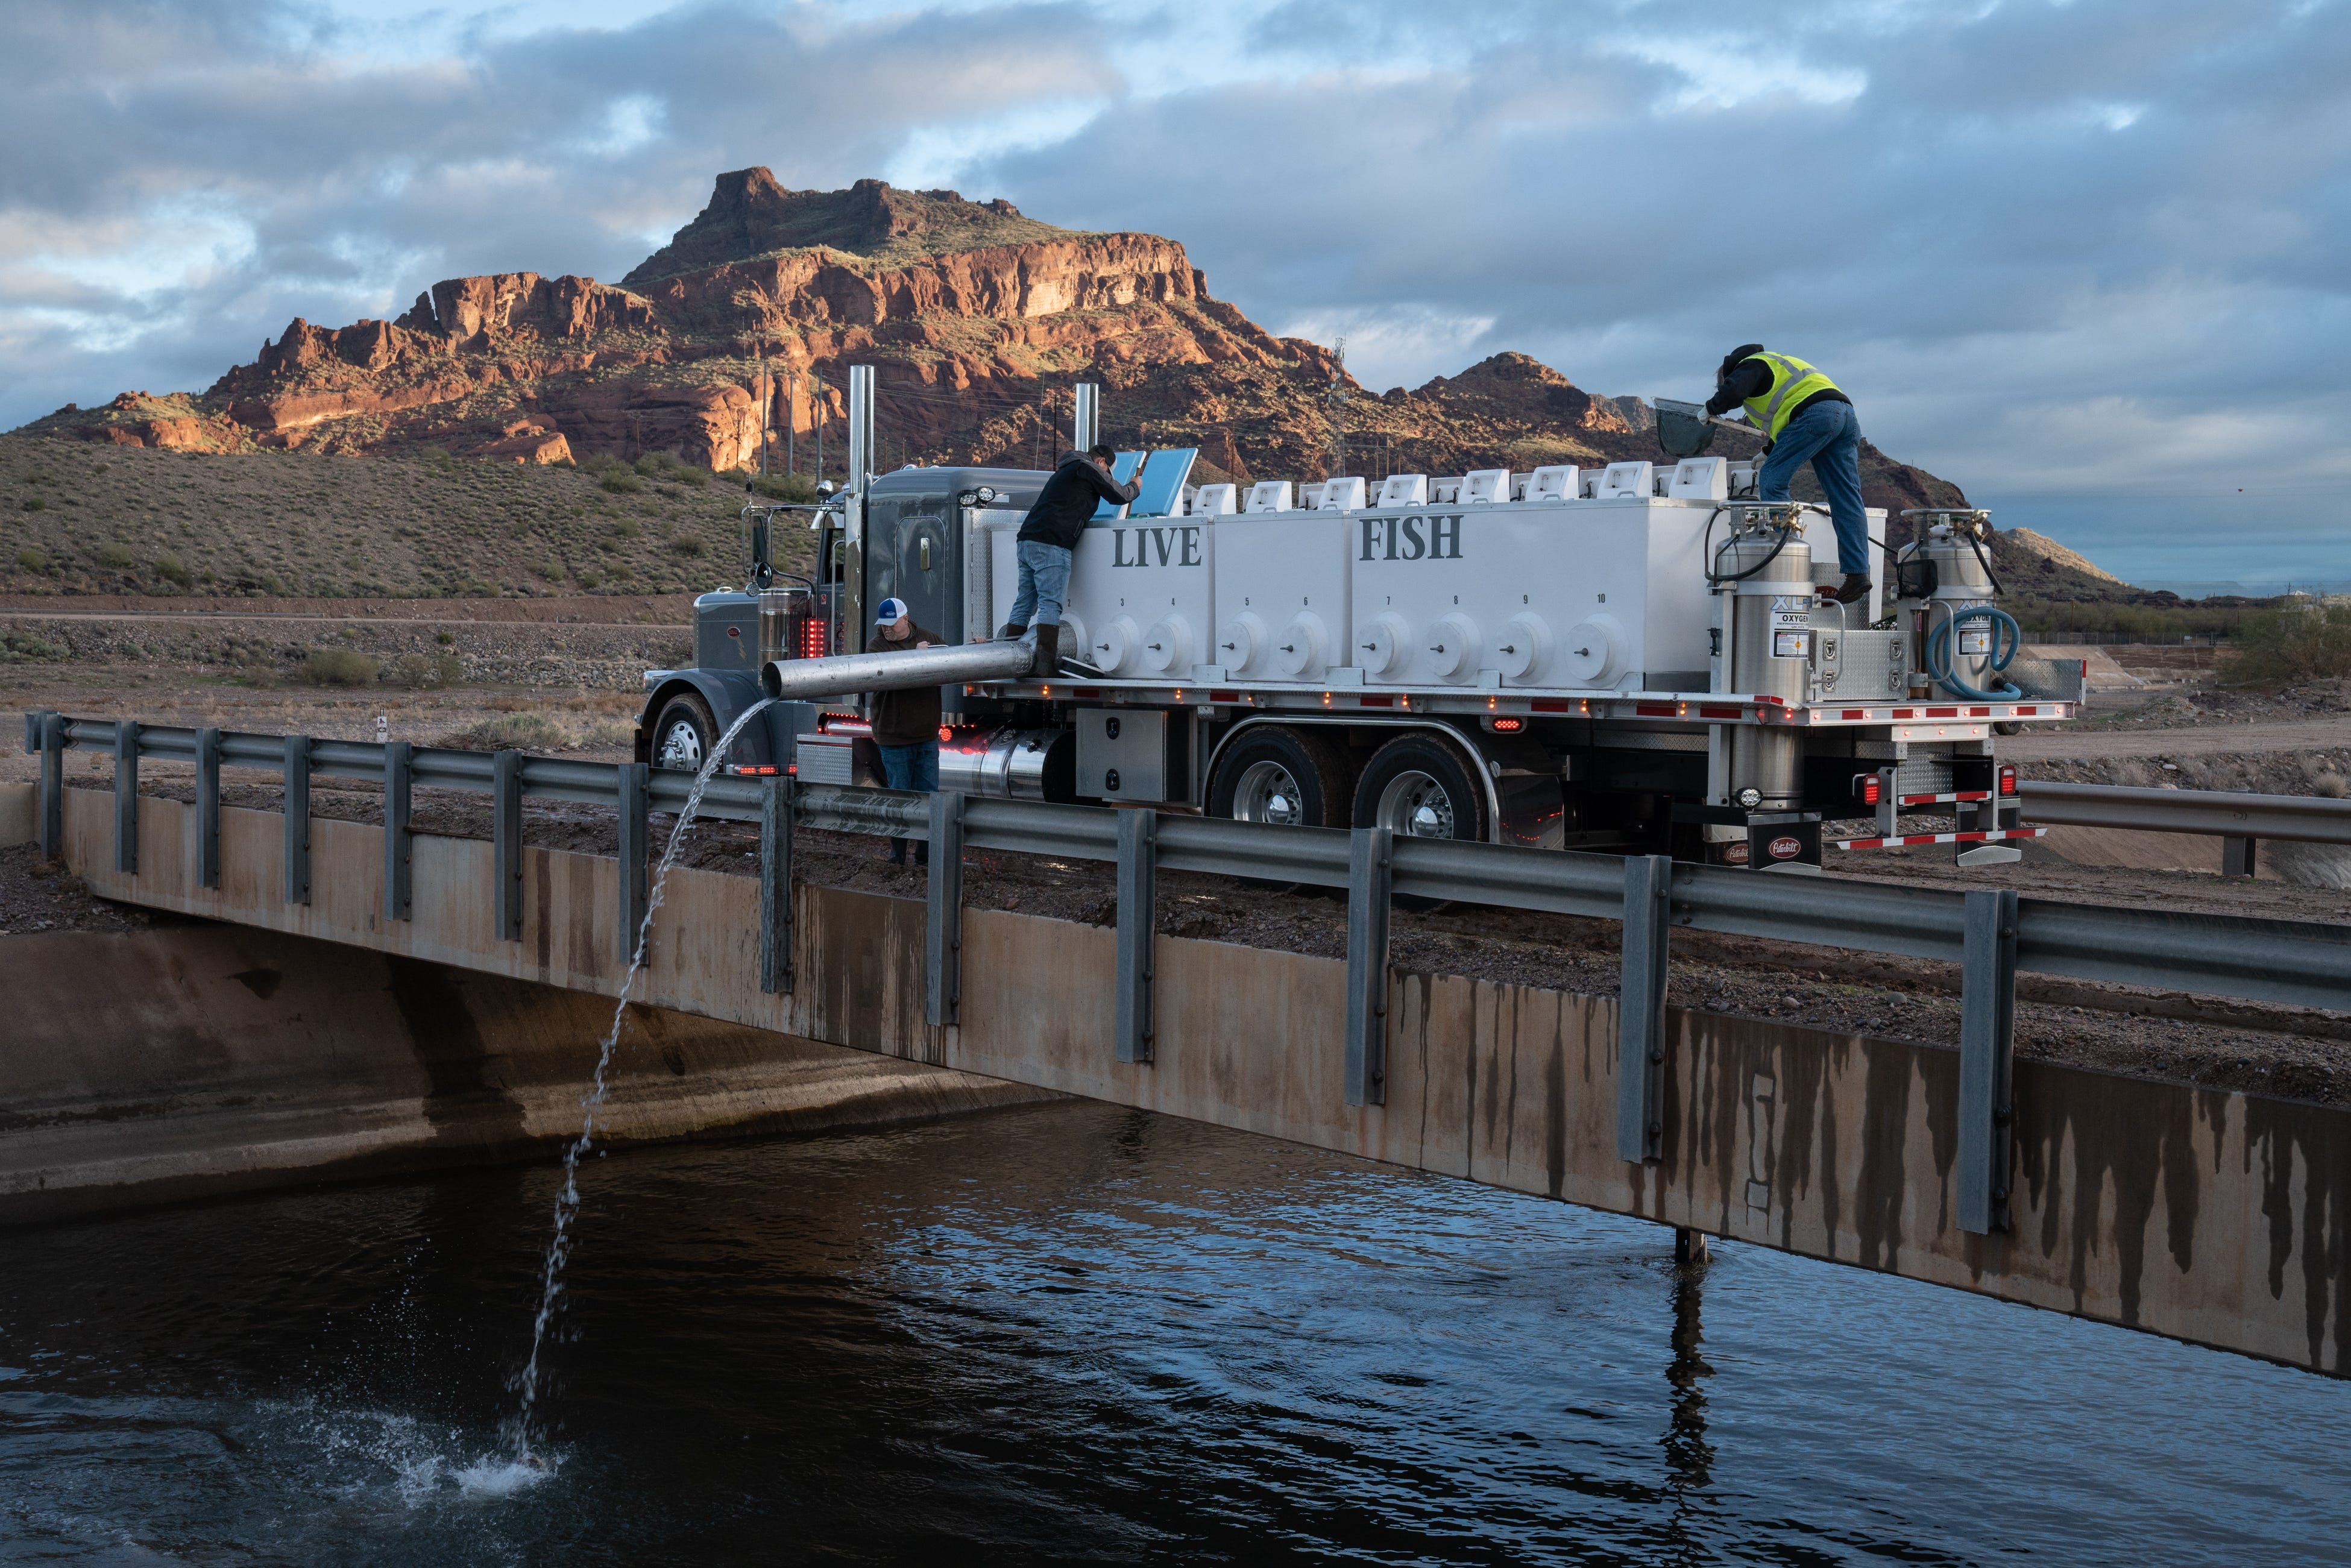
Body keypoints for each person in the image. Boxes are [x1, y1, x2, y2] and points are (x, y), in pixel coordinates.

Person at [1705, 345, 1871, 604]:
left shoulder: (1753, 364)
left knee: (1772, 480)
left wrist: (1711, 408)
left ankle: (1785, 562)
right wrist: (1769, 451)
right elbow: (1789, 421)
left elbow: (1734, 392)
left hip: (1817, 415)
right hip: (1845, 416)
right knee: (1846, 498)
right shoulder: (1780, 368)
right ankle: (1858, 572)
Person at [1002, 443, 1142, 671]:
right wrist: (1135, 486)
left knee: (1025, 602)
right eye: (1107, 473)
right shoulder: (1089, 469)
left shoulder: (1066, 469)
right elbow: (1119, 495)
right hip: (1052, 542)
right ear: (1102, 462)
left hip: (1027, 539)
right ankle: (1044, 664)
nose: (1106, 477)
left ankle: (1007, 657)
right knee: (1050, 604)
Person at [867, 596, 943, 866]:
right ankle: (897, 854)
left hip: (926, 736)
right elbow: (889, 672)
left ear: (905, 619)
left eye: (891, 624)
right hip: (894, 737)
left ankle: (924, 853)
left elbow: (950, 659)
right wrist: (915, 656)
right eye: (884, 625)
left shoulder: (929, 637)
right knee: (899, 796)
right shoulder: (876, 646)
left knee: (928, 796)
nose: (887, 629)